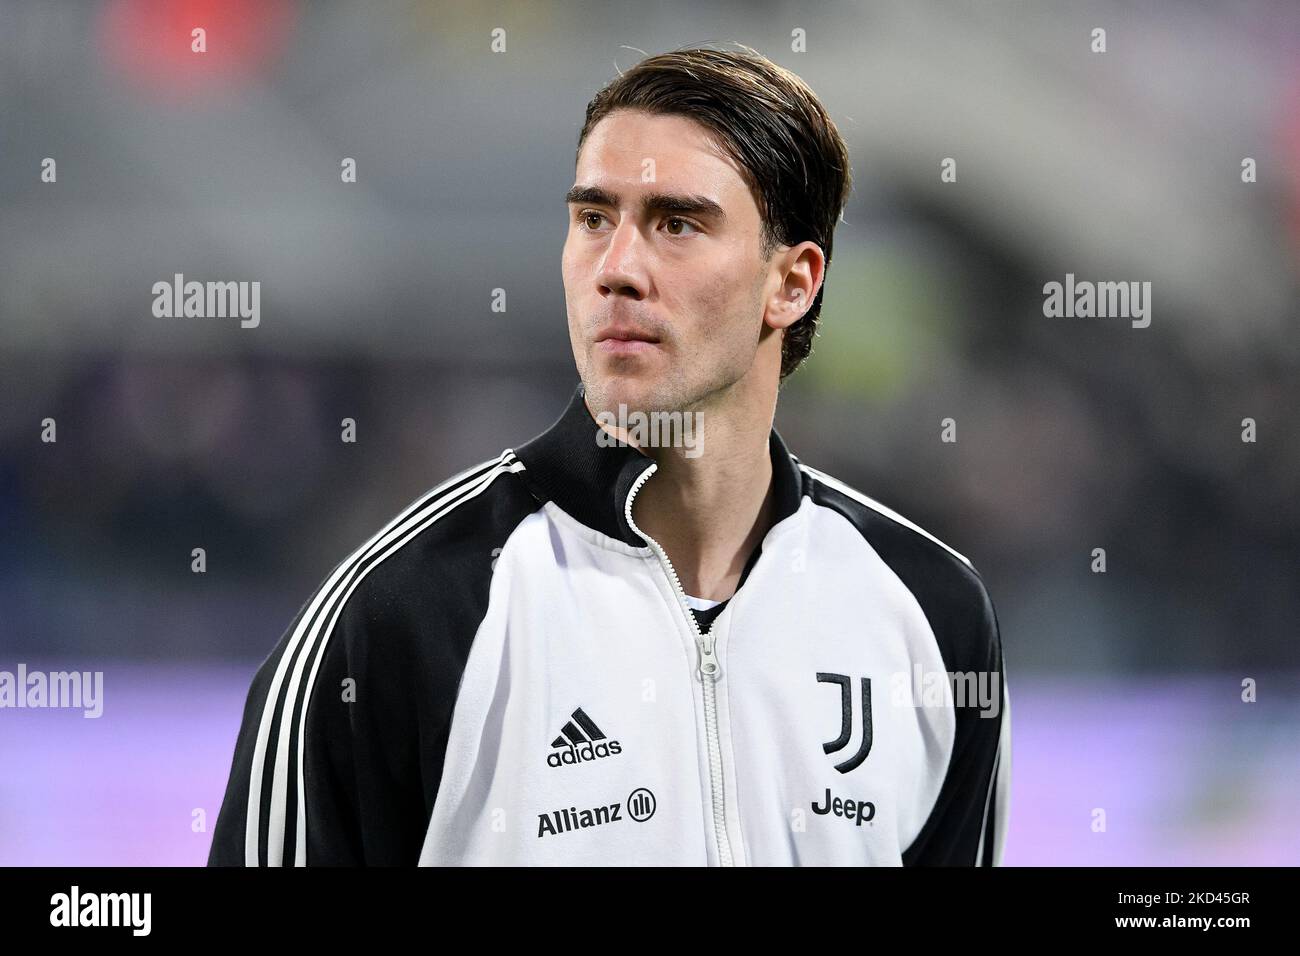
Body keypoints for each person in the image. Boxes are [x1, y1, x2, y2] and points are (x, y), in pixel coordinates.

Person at [208, 44, 1010, 867]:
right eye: (594, 219)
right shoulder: (402, 614)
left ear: (794, 283)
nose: (617, 269)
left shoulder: (930, 615)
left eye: (677, 223)